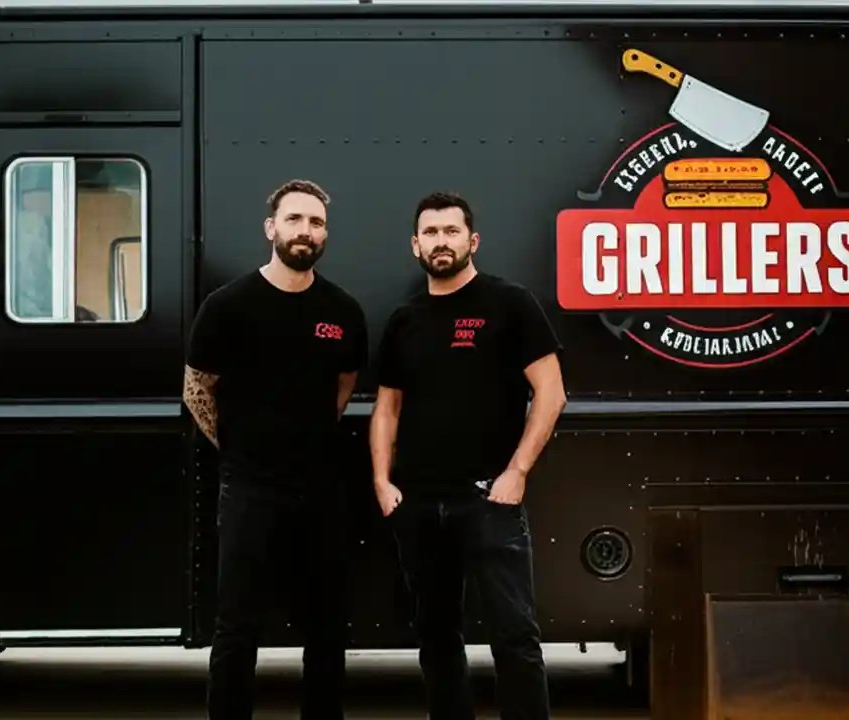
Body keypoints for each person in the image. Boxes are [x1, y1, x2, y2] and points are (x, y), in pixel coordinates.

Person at [369, 191, 567, 719]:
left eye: (451, 232)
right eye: (430, 233)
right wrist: (383, 483)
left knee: (514, 637)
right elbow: (386, 408)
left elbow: (551, 392)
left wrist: (517, 471)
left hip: (488, 501)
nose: (441, 242)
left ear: (472, 240)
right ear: (416, 245)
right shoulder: (405, 319)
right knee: (436, 639)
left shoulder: (510, 304)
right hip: (417, 504)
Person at [182, 179, 367, 720]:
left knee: (327, 626)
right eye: (294, 219)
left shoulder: (342, 310)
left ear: (325, 234)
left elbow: (343, 387)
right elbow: (197, 389)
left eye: (315, 222)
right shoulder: (228, 306)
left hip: (321, 489)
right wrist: (240, 445)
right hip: (249, 487)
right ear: (272, 228)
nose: (305, 231)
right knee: (237, 627)